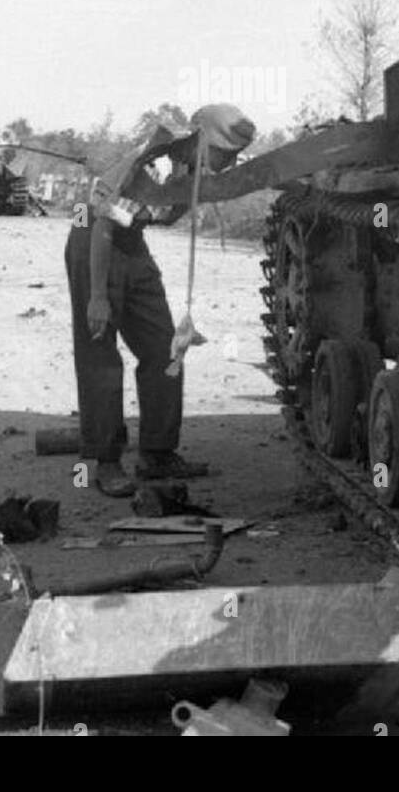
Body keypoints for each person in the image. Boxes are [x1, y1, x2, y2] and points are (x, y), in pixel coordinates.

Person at [64, 104, 256, 497]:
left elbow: (164, 217)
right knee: (100, 352)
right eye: (222, 153)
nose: (226, 162)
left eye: (232, 156)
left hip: (131, 241)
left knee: (165, 348)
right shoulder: (152, 166)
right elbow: (102, 223)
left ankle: (157, 453)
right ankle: (105, 461)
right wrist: (98, 296)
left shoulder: (191, 169)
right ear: (199, 139)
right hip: (94, 239)